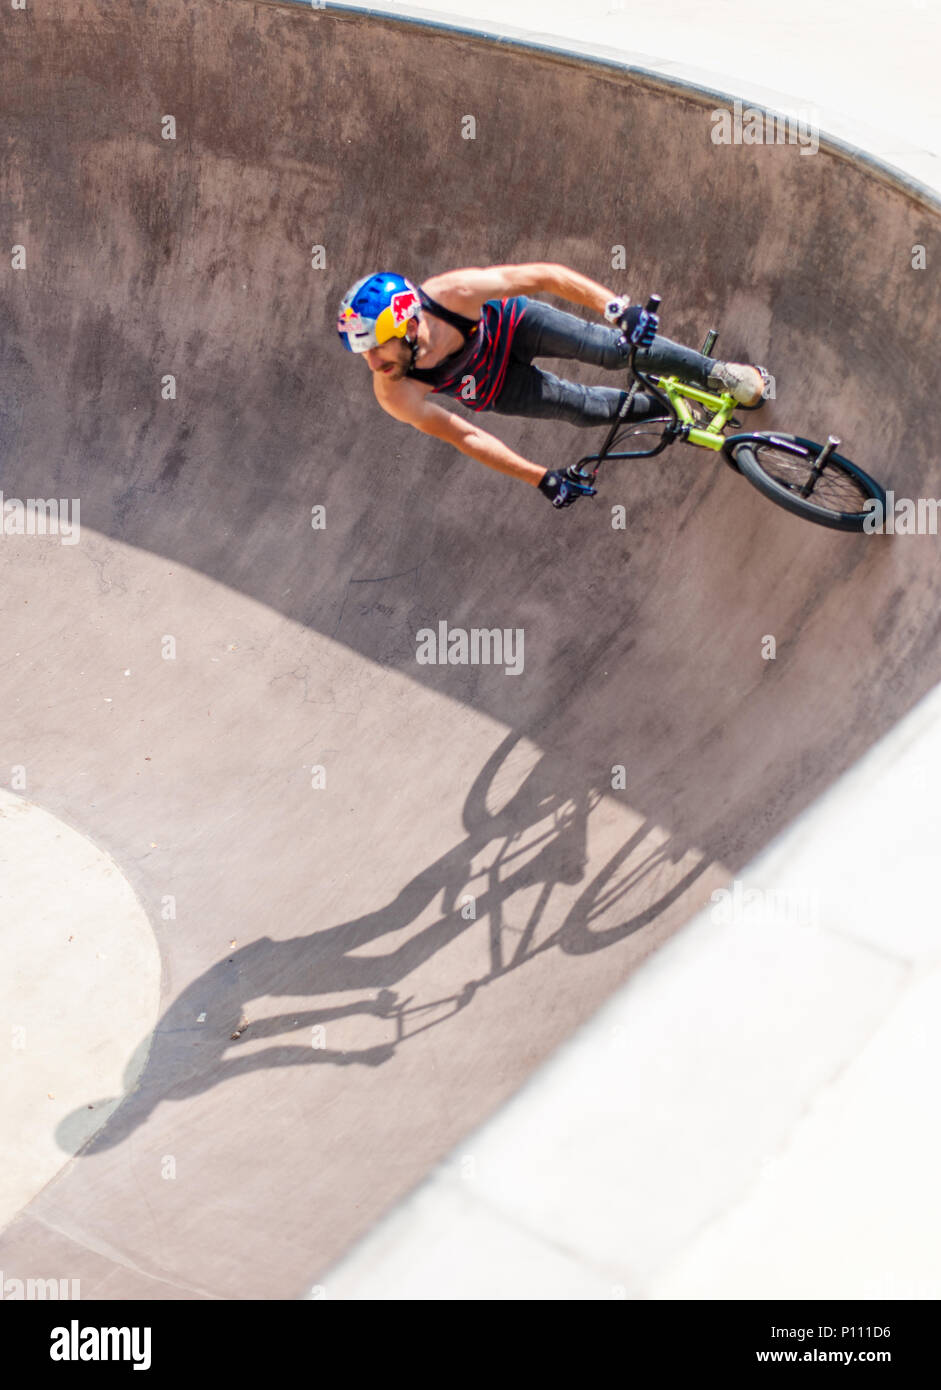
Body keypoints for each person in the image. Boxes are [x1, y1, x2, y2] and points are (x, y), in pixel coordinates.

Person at [336, 264, 768, 509]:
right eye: (364, 354)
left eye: (377, 348)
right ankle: (677, 414)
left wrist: (618, 311)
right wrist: (540, 478)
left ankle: (719, 373)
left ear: (408, 324)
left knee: (615, 351)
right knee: (583, 410)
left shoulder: (452, 293)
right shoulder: (394, 390)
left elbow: (542, 274)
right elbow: (464, 436)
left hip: (512, 326)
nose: (373, 363)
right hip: (489, 383)